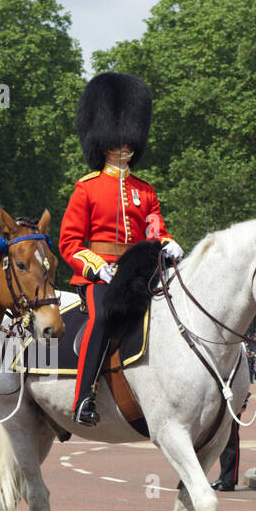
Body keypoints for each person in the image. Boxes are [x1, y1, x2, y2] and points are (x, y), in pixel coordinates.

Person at [60, 71, 182, 426]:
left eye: (129, 140)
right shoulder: (87, 188)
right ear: (104, 141)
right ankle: (83, 397)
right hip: (100, 274)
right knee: (100, 319)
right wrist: (96, 266)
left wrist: (167, 242)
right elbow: (69, 242)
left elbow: (153, 227)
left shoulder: (145, 190)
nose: (125, 146)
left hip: (139, 272)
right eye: (118, 140)